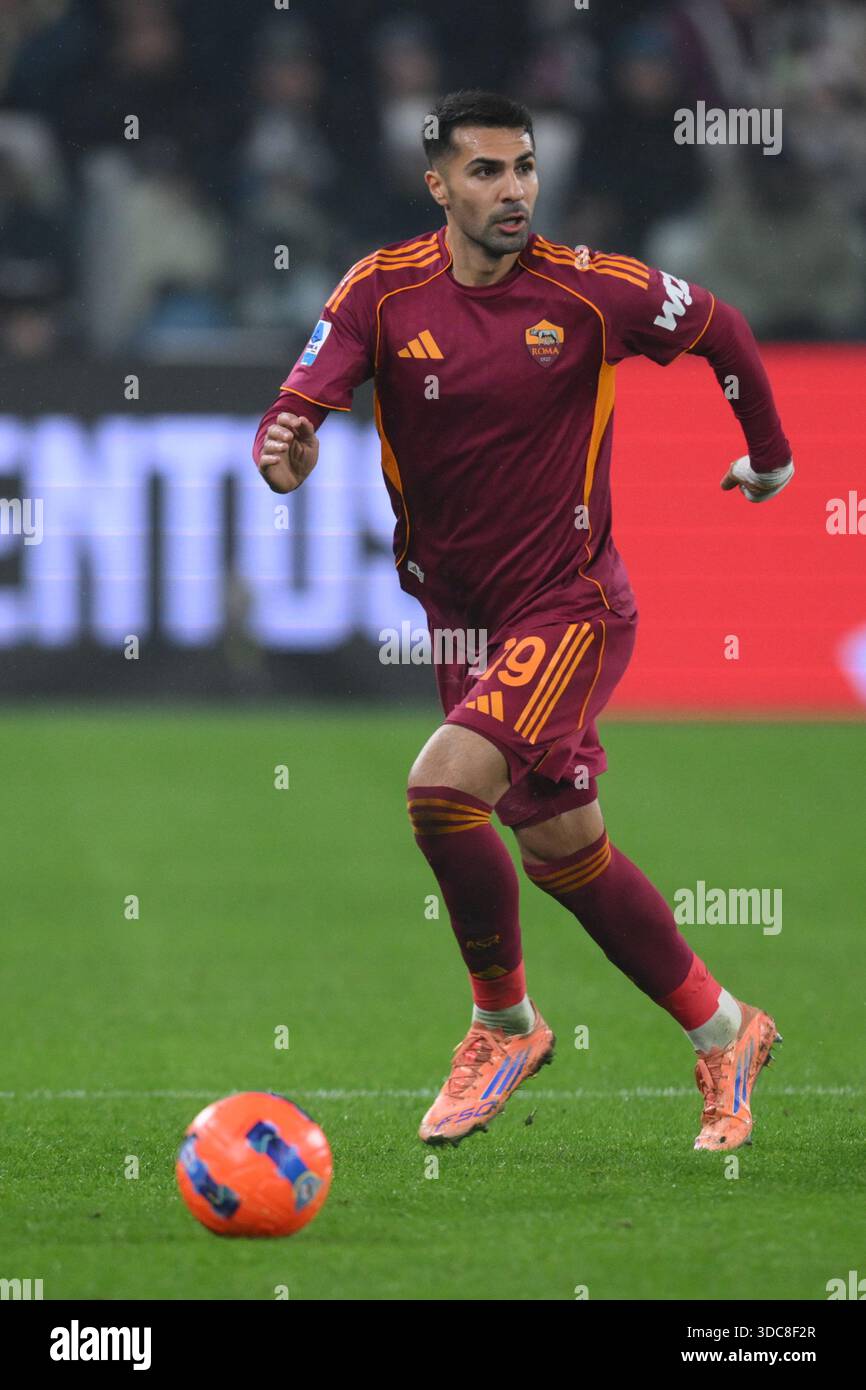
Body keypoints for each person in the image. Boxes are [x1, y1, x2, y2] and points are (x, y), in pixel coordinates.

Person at [252, 90, 791, 1152]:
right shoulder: (381, 288)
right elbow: (299, 404)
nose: (513, 191)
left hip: (570, 604)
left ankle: (502, 1024)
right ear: (438, 186)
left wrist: (770, 456)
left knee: (440, 792)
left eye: (525, 168)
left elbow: (719, 326)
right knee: (559, 846)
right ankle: (726, 1028)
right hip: (463, 622)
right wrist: (287, 448)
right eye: (488, 172)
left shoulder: (589, 292)